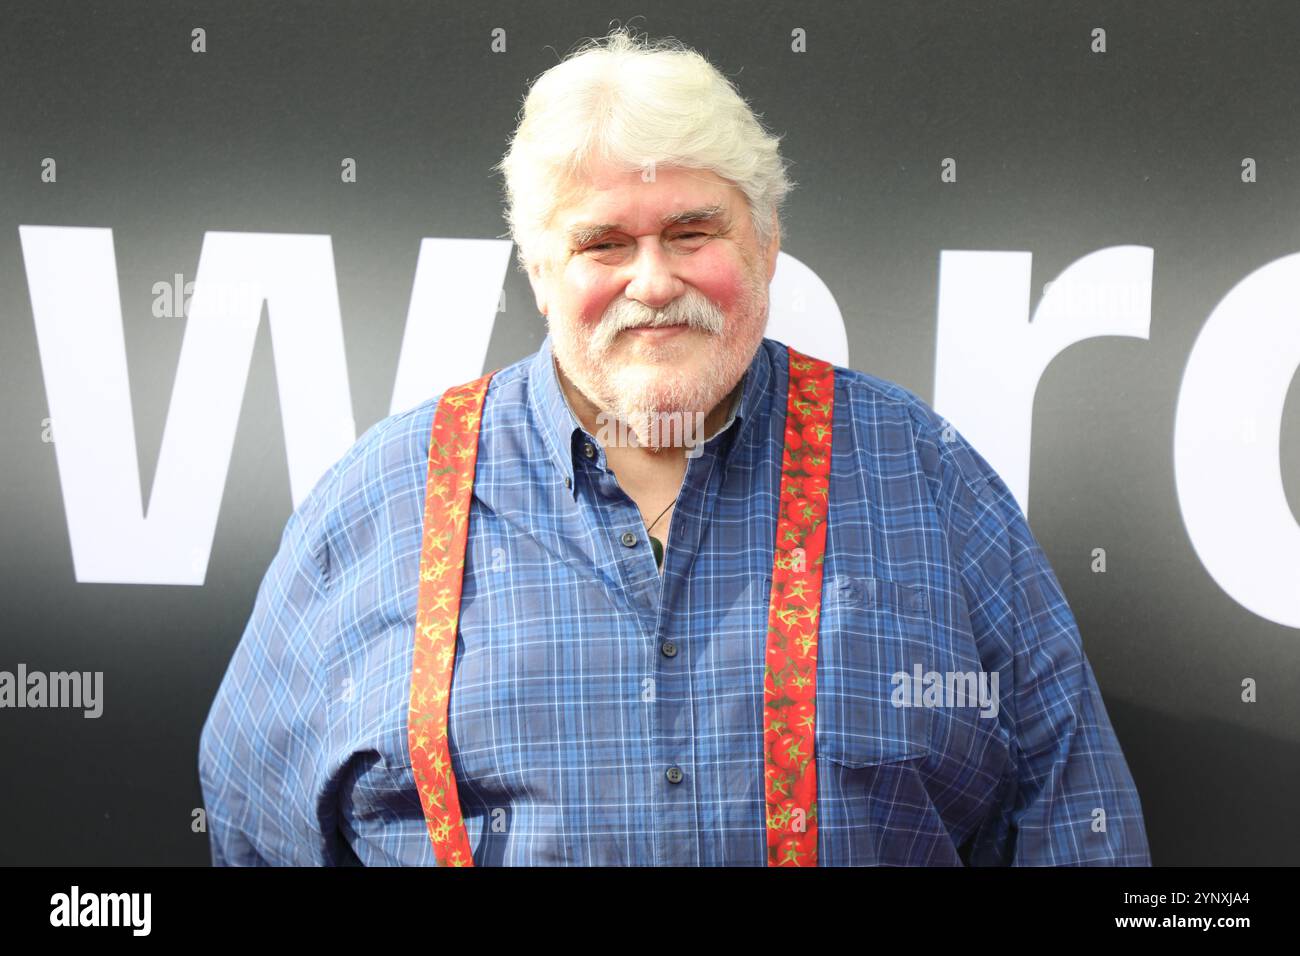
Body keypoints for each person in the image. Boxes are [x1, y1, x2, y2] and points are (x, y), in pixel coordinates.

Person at [198, 28, 1150, 866]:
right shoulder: (377, 503)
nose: (652, 283)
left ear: (767, 244)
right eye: (603, 244)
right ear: (540, 272)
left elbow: (1072, 821)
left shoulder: (926, 477)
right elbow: (255, 831)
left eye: (693, 232)